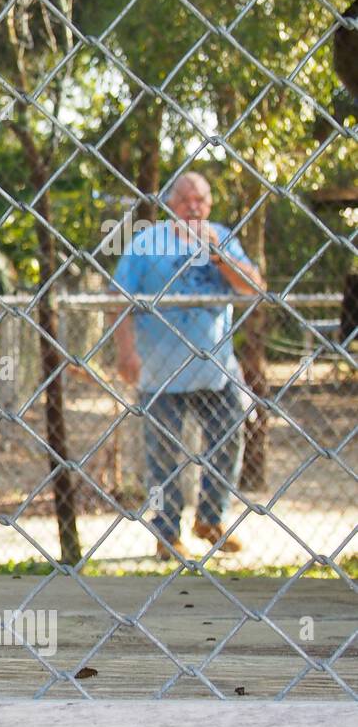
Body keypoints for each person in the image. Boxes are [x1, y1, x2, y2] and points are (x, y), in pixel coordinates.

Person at [112, 172, 266, 560]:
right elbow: (119, 300)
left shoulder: (222, 237)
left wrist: (218, 254)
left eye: (201, 199)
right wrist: (126, 351)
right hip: (161, 373)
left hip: (216, 370)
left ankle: (210, 520)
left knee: (231, 438)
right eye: (185, 200)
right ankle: (166, 535)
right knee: (162, 458)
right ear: (169, 205)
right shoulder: (147, 242)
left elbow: (254, 287)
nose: (194, 207)